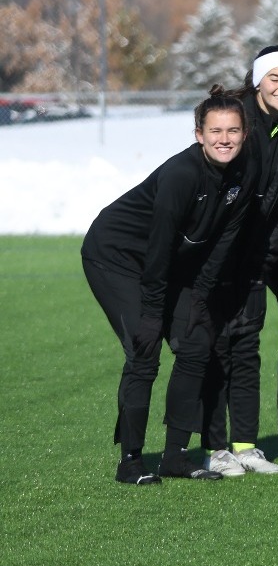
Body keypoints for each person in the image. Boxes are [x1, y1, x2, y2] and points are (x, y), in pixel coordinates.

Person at [84, 88, 253, 483]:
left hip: (168, 262)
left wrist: (199, 296)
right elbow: (158, 249)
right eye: (215, 131)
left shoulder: (244, 174)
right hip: (116, 256)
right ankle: (130, 461)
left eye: (232, 130)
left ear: (244, 134)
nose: (224, 139)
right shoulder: (182, 175)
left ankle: (175, 457)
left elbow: (223, 241)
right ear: (198, 134)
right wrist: (151, 315)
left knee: (196, 343)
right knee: (144, 352)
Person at [201, 47, 278, 477]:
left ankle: (246, 445)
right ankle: (214, 448)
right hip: (218, 252)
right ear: (257, 81)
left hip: (259, 255)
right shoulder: (236, 121)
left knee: (247, 348)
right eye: (275, 79)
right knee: (216, 347)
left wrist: (263, 254)